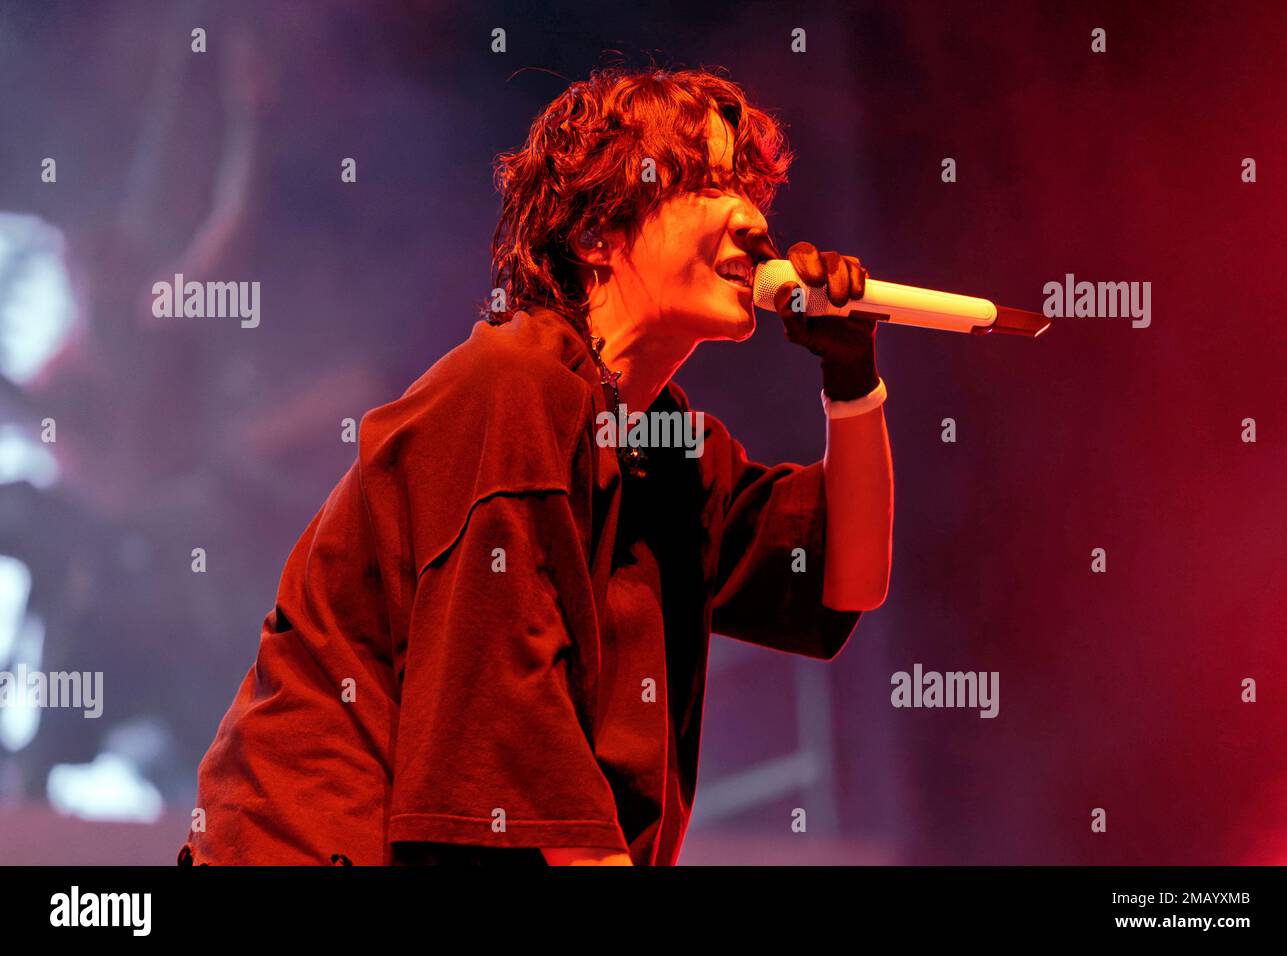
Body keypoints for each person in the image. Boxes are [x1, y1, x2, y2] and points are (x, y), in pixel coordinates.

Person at [178, 65, 894, 867]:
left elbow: (847, 578)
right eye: (706, 184)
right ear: (597, 233)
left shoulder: (664, 444)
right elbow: (511, 751)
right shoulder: (511, 390)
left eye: (749, 188)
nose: (753, 222)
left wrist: (853, 380)